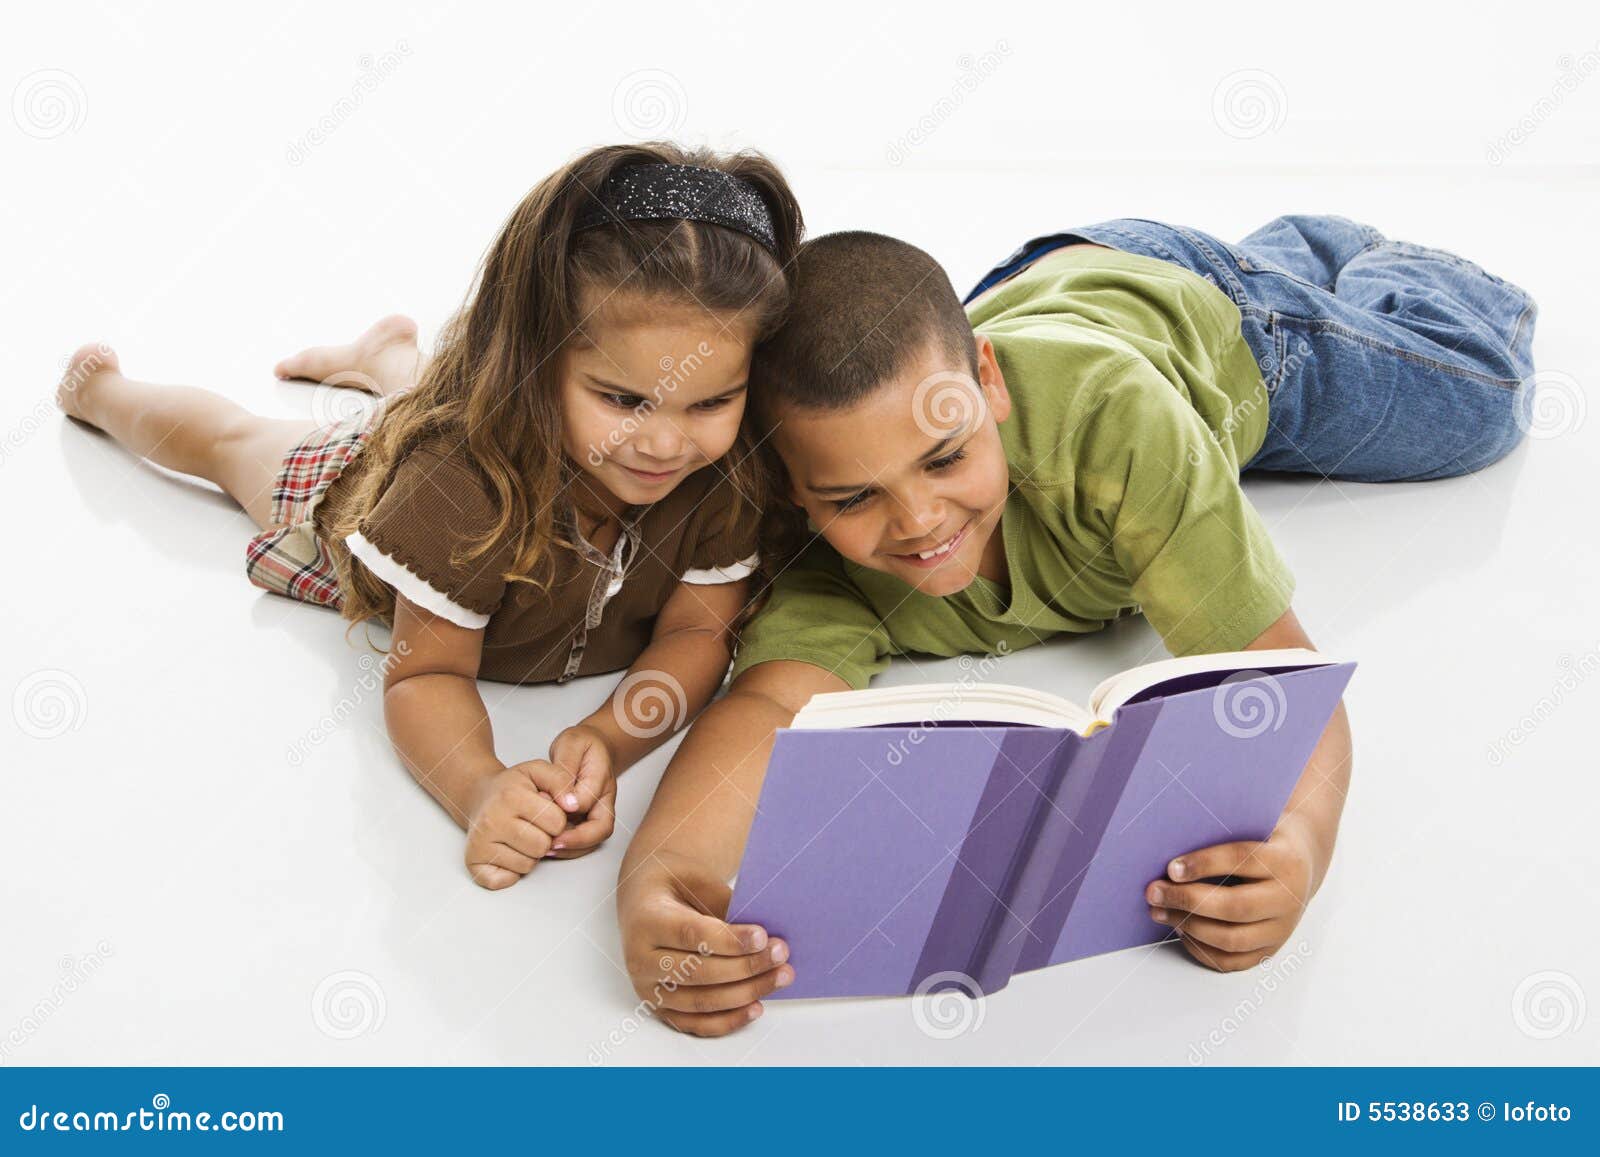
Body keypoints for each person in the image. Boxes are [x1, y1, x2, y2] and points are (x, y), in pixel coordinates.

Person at [615, 215, 1538, 1035]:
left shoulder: (1113, 423)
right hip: (1036, 292)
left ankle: (1341, 256)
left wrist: (1302, 843)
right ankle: (1258, 254)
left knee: (1482, 395)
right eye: (855, 495)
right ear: (791, 486)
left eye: (945, 458)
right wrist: (658, 878)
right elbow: (768, 706)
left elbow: (1278, 678)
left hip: (1208, 318)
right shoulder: (816, 553)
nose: (919, 522)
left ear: (988, 384)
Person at [56, 142, 803, 890]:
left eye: (710, 401)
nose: (667, 441)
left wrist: (610, 738)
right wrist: (478, 785)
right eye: (621, 399)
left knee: (427, 400)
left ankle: (387, 358)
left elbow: (698, 631)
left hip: (479, 419)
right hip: (363, 482)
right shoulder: (454, 485)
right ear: (532, 363)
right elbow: (427, 674)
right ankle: (107, 397)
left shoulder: (726, 470)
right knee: (235, 446)